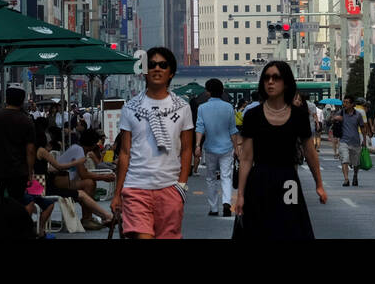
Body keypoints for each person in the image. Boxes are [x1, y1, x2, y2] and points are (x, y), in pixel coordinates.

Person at [233, 60, 325, 239]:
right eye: (266, 78)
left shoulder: (299, 116)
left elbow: (310, 151)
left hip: (288, 180)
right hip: (259, 180)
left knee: (289, 230)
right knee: (259, 232)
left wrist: (319, 184)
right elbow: (246, 158)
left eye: (276, 78)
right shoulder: (253, 116)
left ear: (286, 83)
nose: (270, 82)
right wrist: (240, 195)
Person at [110, 46, 194, 239]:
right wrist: (118, 193)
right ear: (144, 72)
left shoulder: (182, 108)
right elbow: (124, 152)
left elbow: (187, 149)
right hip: (136, 187)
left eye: (163, 65)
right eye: (152, 65)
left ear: (171, 72)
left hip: (170, 187)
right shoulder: (131, 108)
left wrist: (181, 185)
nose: (157, 68)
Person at [34, 119, 113, 226]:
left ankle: (94, 217)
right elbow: (74, 171)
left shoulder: (77, 149)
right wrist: (103, 177)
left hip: (49, 181)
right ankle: (97, 217)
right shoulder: (77, 150)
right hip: (54, 181)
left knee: (88, 185)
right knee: (88, 185)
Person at [0, 87, 37, 204]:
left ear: (6, 99)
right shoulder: (26, 121)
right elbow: (30, 150)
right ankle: (13, 222)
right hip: (18, 171)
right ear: (22, 101)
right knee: (16, 203)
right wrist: (30, 172)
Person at [195, 78, 238, 217]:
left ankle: (213, 208)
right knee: (226, 176)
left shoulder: (202, 108)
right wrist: (237, 148)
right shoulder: (228, 107)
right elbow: (232, 130)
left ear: (208, 92)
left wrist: (197, 145)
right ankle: (226, 203)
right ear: (222, 91)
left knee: (211, 178)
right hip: (227, 147)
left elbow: (200, 128)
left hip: (210, 147)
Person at [335, 96, 366, 187]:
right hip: (344, 141)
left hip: (355, 142)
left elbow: (362, 127)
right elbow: (330, 120)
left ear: (352, 104)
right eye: (344, 102)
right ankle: (346, 179)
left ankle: (355, 175)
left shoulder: (358, 115)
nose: (344, 104)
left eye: (347, 102)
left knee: (356, 163)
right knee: (345, 160)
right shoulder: (341, 113)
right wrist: (335, 118)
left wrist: (364, 139)